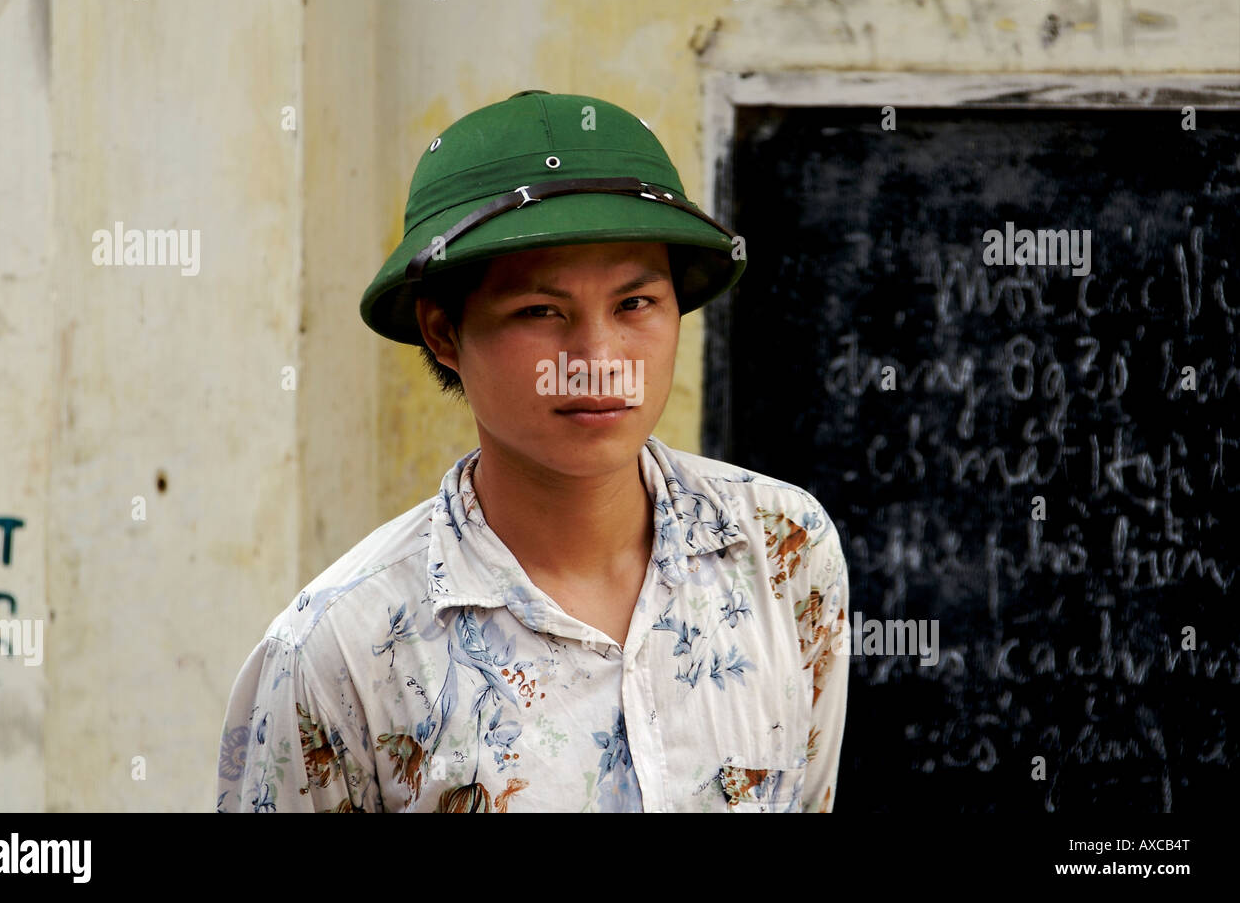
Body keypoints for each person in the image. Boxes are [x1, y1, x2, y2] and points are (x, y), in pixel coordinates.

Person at [215, 90, 849, 812]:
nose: (598, 357)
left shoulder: (782, 549)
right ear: (443, 333)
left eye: (635, 304)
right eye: (540, 312)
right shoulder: (340, 650)